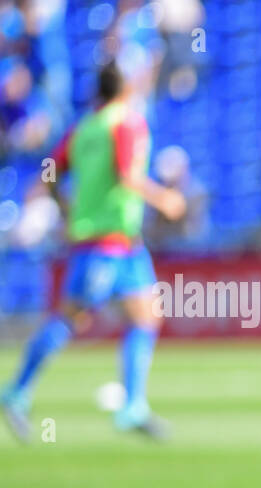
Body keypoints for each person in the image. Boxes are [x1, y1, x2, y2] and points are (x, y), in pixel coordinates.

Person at [2, 61, 186, 443]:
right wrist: (165, 198)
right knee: (71, 318)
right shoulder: (126, 122)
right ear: (127, 88)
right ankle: (17, 390)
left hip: (122, 242)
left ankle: (133, 406)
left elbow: (50, 169)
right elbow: (126, 175)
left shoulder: (83, 127)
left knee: (147, 316)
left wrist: (65, 206)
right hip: (104, 242)